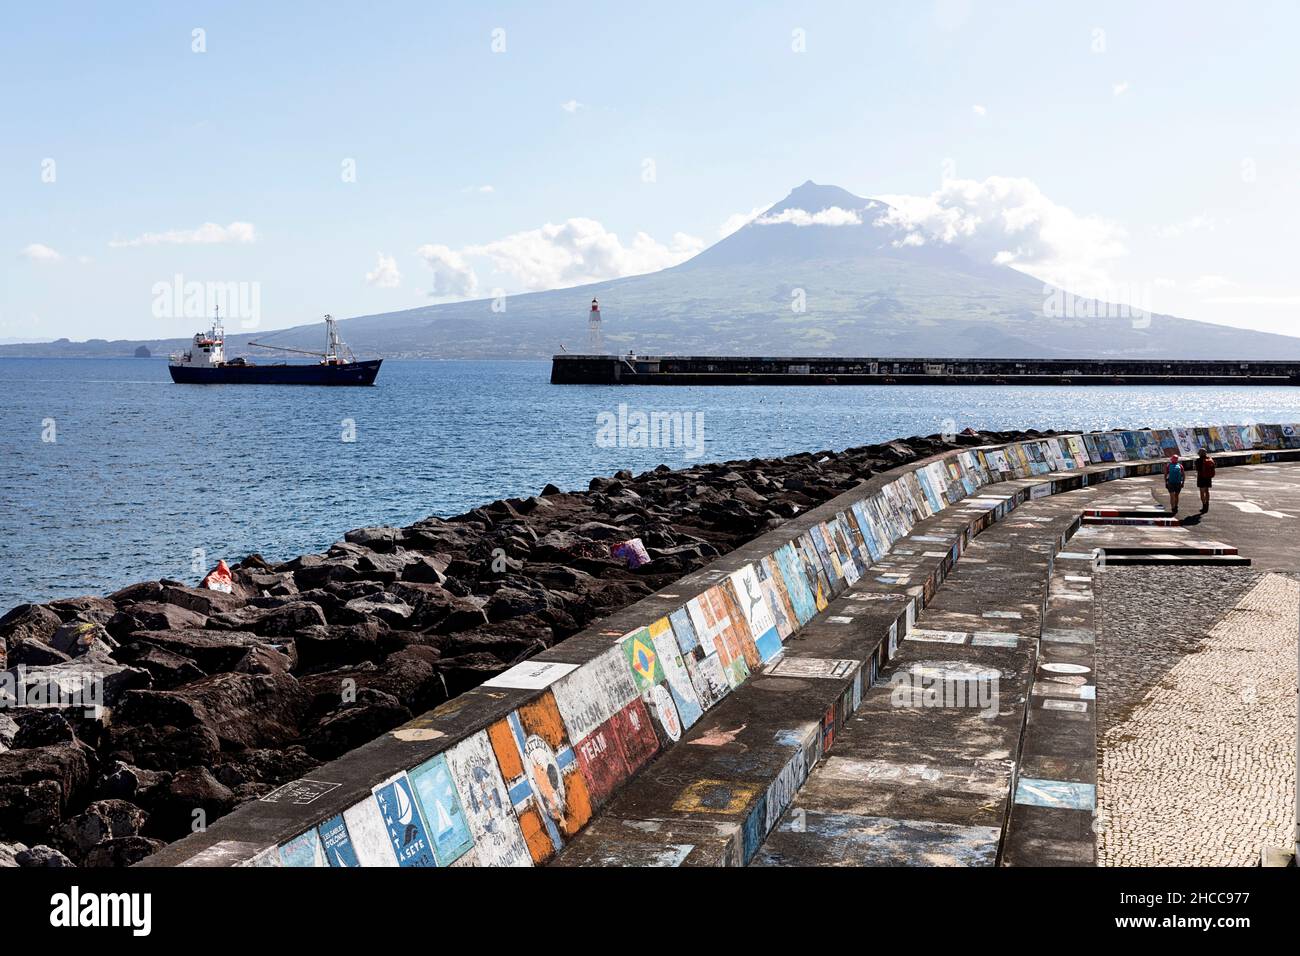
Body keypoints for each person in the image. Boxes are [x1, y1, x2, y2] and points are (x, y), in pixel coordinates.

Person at [1196, 448, 1216, 512]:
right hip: (1208, 477)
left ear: (1200, 454)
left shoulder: (1198, 460)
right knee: (1206, 491)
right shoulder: (1210, 459)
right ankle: (1207, 504)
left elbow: (1197, 470)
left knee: (1202, 492)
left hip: (1201, 477)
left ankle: (1204, 505)